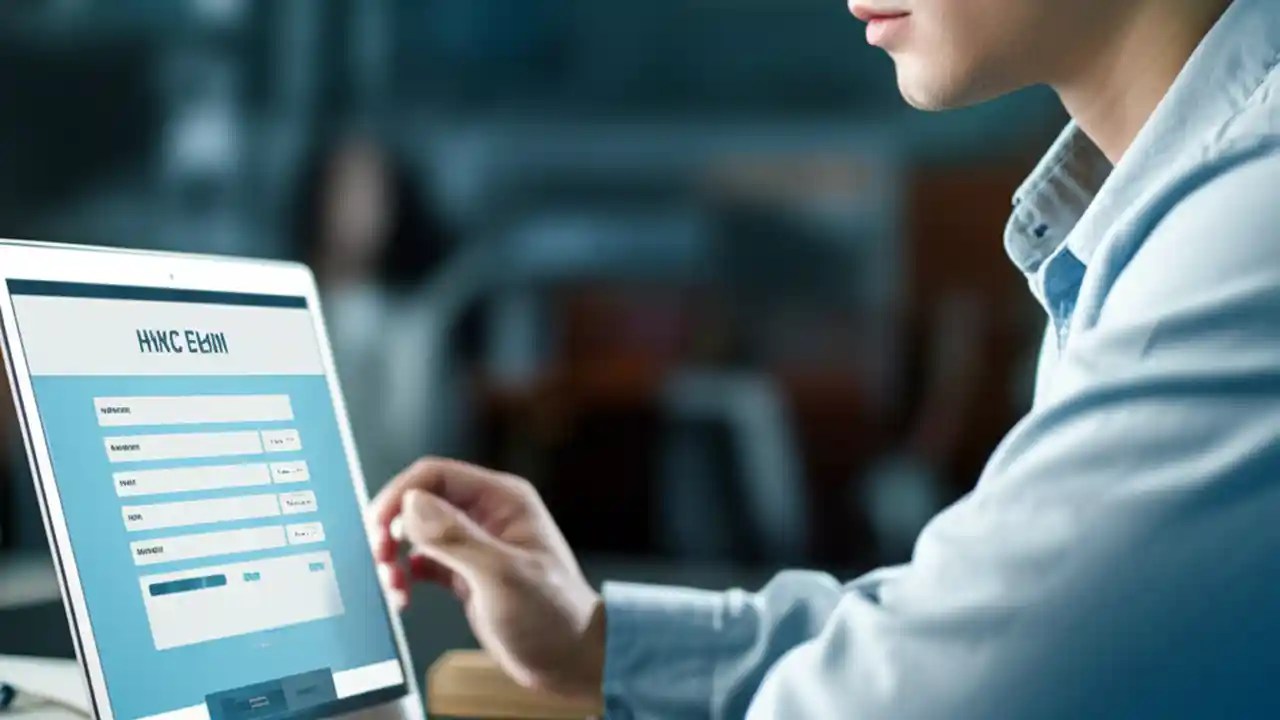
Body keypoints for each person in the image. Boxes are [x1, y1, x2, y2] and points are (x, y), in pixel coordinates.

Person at [368, 0, 1280, 716]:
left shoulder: (1248, 236)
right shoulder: (1157, 222)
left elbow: (930, 700)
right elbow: (965, 636)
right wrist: (598, 643)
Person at [294, 132, 475, 489]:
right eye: (346, 190)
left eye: (372, 194)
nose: (357, 209)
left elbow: (424, 446)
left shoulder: (417, 328)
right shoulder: (288, 312)